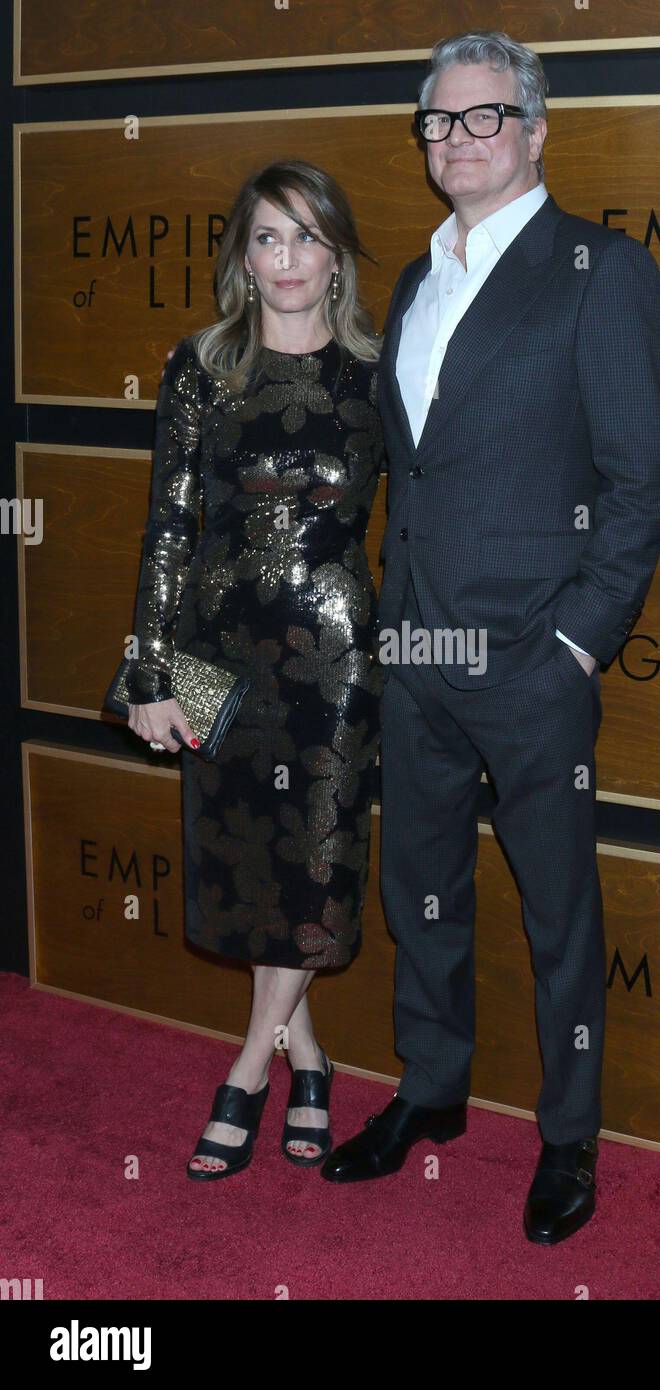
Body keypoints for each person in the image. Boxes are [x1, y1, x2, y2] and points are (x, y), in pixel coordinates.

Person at [321, 32, 660, 1246]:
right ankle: (430, 1091)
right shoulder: (418, 282)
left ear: (534, 128)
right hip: (416, 649)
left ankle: (569, 1135)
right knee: (417, 881)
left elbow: (641, 483)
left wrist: (575, 642)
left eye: (481, 118)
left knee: (554, 910)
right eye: (435, 122)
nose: (454, 140)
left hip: (531, 657)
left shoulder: (598, 269)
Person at [124, 160, 385, 1179]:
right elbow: (165, 530)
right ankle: (308, 1058)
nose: (286, 259)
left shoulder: (376, 371)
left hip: (338, 664)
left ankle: (245, 1069)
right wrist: (148, 673)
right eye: (266, 237)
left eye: (308, 237)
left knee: (309, 871)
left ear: (336, 257)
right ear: (241, 253)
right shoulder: (201, 365)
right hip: (212, 653)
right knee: (242, 867)